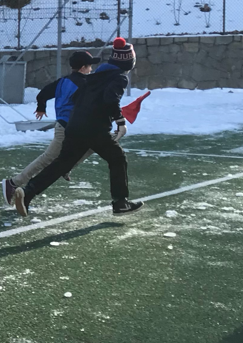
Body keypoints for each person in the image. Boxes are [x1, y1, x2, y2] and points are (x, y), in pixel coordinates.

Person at [13, 37, 144, 218]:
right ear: (129, 61)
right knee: (117, 158)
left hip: (75, 125)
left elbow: (80, 98)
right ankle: (120, 203)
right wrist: (120, 121)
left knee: (61, 163)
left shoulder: (97, 75)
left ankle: (27, 193)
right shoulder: (120, 77)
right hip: (94, 128)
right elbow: (110, 99)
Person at [1, 50, 98, 206]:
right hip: (68, 128)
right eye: (89, 67)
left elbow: (43, 93)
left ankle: (66, 168)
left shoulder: (63, 81)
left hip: (68, 127)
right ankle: (13, 183)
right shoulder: (83, 84)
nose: (91, 69)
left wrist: (41, 107)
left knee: (93, 145)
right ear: (82, 68)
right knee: (47, 159)